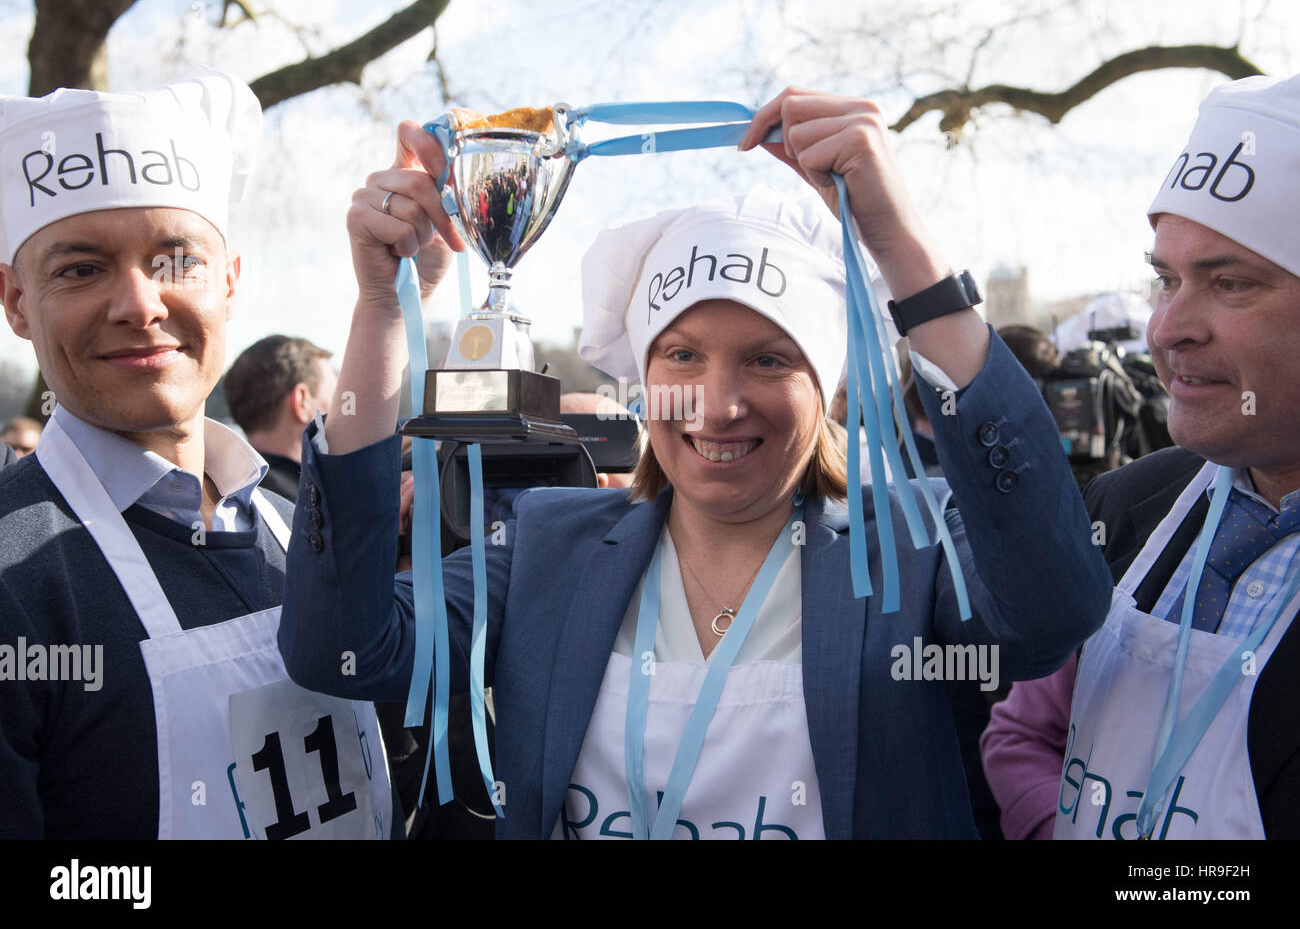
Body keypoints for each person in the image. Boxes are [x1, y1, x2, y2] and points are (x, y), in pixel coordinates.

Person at [278, 87, 1112, 838]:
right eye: (680, 357)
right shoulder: (547, 549)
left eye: (768, 360)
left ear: (825, 389)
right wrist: (386, 307)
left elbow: (1048, 613)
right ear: (642, 379)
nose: (717, 405)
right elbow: (343, 650)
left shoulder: (912, 551)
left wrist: (903, 250)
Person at [0, 69, 397, 839]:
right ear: (15, 300)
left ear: (230, 282)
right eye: (81, 268)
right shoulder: (18, 584)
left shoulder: (292, 529)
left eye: (175, 258)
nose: (141, 304)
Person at [984, 73, 1300, 840]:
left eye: (1229, 282)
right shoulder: (1126, 506)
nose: (1166, 330)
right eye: (1165, 280)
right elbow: (1022, 736)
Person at [224, 334, 337, 499]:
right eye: (335, 396)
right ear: (302, 401)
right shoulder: (310, 507)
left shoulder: (226, 490)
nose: (341, 412)